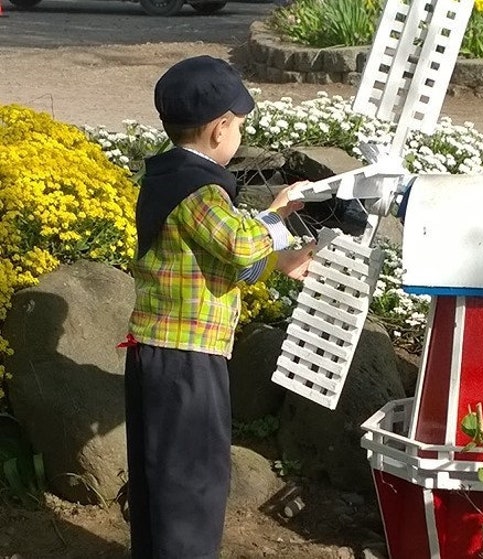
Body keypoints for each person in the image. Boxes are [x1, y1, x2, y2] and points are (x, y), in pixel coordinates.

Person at [122, 55, 314, 558]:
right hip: (185, 358)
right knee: (193, 476)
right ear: (218, 128)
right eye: (240, 126)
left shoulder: (169, 177)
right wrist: (276, 215)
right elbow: (241, 248)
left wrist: (279, 262)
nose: (240, 136)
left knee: (160, 475)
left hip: (161, 352)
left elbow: (221, 264)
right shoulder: (199, 189)